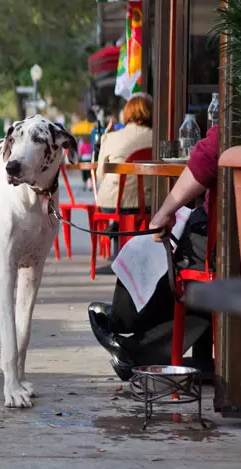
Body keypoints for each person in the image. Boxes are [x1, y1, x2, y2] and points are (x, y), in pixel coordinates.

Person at [89, 124, 218, 380]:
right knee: (173, 245)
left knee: (164, 256)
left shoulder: (114, 135)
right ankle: (128, 335)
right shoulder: (150, 132)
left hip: (218, 238)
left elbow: (208, 155)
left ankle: (123, 326)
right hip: (220, 229)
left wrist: (166, 210)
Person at [95, 93, 154, 212]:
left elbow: (100, 174)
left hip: (111, 203)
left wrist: (106, 136)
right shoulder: (157, 138)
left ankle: (117, 227)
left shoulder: (111, 137)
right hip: (146, 203)